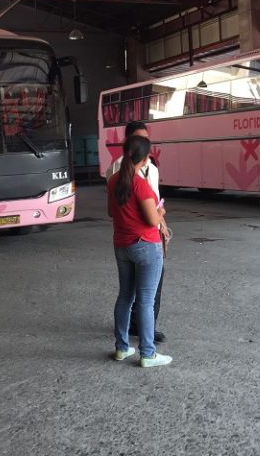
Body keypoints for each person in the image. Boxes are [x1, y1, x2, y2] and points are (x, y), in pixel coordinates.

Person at [107, 134, 172, 368]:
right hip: (145, 245)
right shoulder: (140, 185)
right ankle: (147, 353)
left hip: (122, 245)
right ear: (145, 159)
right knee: (145, 301)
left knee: (125, 296)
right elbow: (152, 219)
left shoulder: (113, 181)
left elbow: (111, 212)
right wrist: (161, 212)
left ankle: (122, 348)